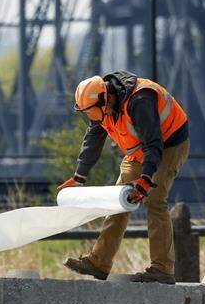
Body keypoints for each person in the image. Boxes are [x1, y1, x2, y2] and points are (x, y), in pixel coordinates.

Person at [58, 71, 189, 284]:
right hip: (140, 149)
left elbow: (153, 143)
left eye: (92, 112)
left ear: (106, 97)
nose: (91, 118)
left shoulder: (140, 100)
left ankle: (162, 269)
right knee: (118, 201)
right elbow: (93, 139)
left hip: (169, 144)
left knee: (154, 199)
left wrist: (146, 179)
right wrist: (79, 176)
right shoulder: (101, 106)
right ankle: (99, 262)